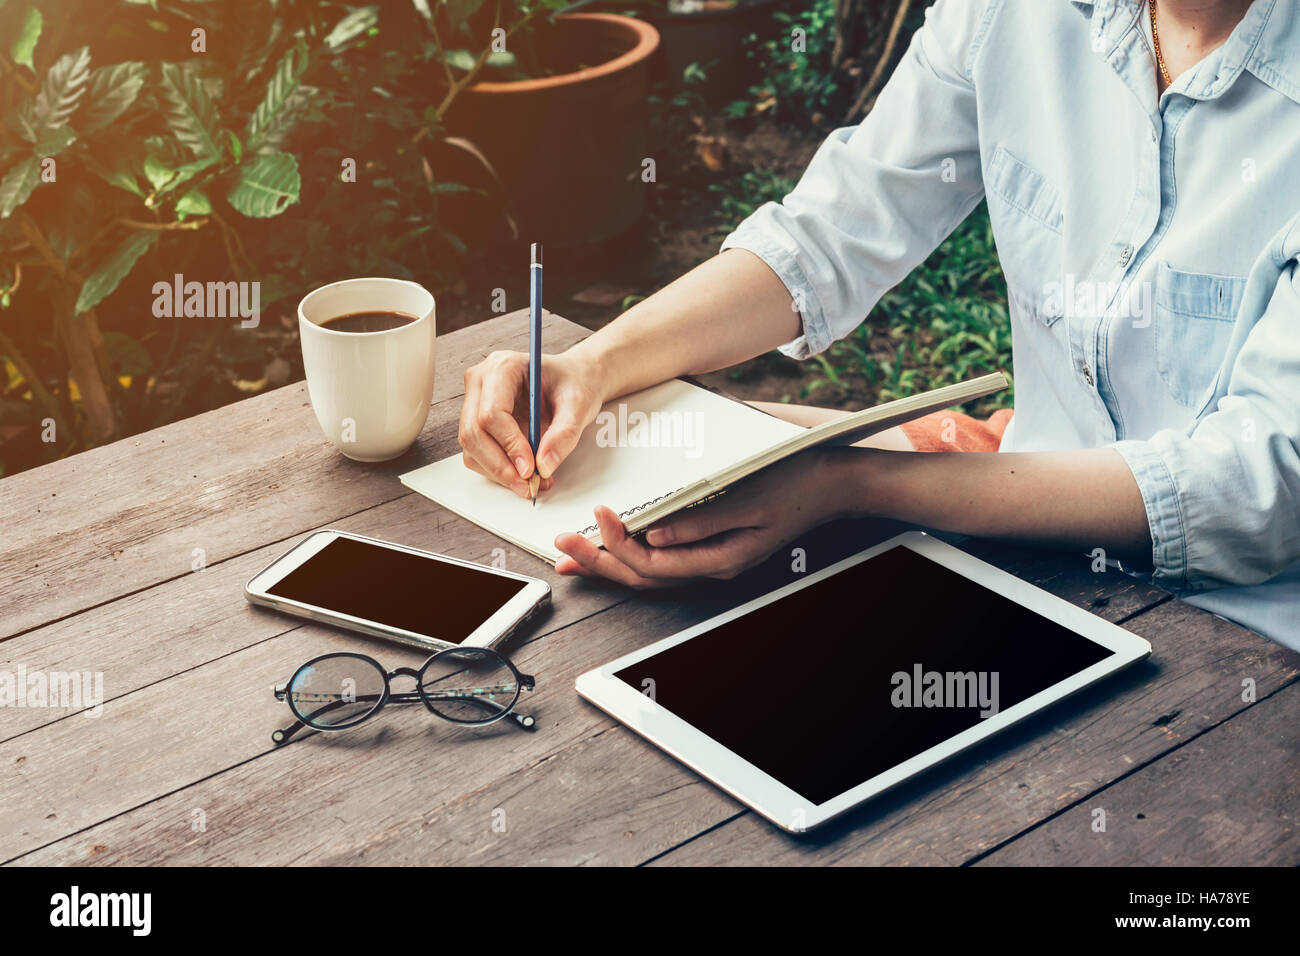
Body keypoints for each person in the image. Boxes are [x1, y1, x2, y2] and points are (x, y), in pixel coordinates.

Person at [458, 0, 1300, 650]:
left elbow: (1264, 483)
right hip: (1019, 544)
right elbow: (833, 230)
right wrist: (597, 364)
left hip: (1248, 635)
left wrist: (847, 484)